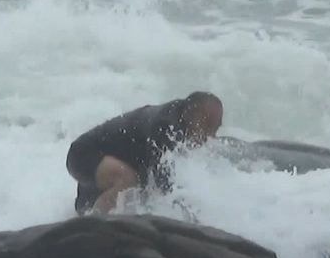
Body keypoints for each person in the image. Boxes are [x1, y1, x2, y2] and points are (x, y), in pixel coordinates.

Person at [66, 91, 223, 215]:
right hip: (83, 155)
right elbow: (163, 184)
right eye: (208, 126)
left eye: (216, 129)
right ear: (193, 116)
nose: (211, 137)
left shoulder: (179, 120)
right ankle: (94, 228)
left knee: (141, 188)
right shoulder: (164, 126)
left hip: (107, 165)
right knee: (129, 180)